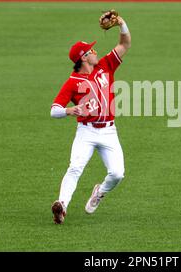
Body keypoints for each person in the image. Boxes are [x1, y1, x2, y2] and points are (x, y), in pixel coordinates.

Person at [50, 13, 131, 224]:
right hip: (86, 132)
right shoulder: (73, 82)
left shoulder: (105, 65)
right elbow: (54, 109)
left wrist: (121, 23)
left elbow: (125, 44)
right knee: (75, 167)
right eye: (91, 50)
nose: (95, 52)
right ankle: (62, 205)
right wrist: (70, 110)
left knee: (117, 174)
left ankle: (99, 192)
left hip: (109, 131)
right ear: (83, 57)